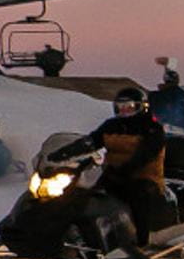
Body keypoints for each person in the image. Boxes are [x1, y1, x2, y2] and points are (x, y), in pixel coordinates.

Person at [74, 86, 174, 241]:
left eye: (129, 106)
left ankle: (142, 239)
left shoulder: (151, 128)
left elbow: (146, 154)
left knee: (138, 196)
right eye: (121, 106)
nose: (124, 110)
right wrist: (66, 152)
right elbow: (92, 140)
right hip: (113, 173)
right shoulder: (111, 125)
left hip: (144, 176)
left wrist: (126, 169)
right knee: (85, 194)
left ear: (141, 106)